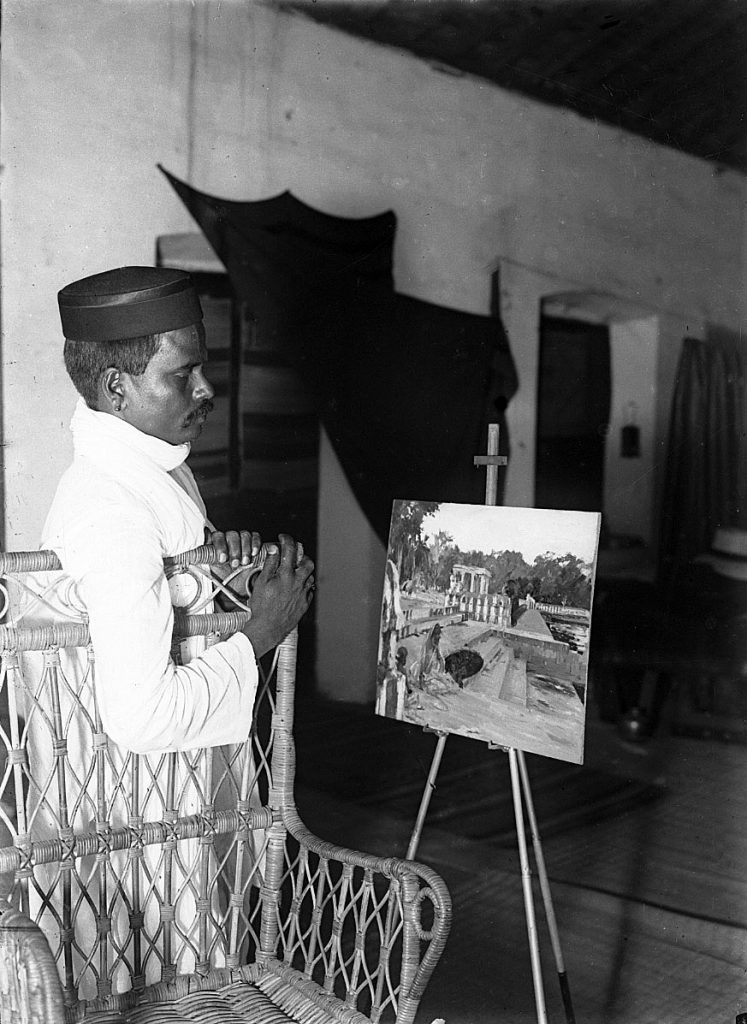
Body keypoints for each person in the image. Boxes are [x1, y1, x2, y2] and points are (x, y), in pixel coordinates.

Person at [23, 265, 315, 996]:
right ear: (117, 389)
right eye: (182, 374)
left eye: (203, 369)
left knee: (190, 961)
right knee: (152, 979)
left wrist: (219, 575)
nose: (205, 390)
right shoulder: (112, 508)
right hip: (132, 809)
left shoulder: (151, 474)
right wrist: (259, 634)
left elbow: (166, 598)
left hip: (164, 798)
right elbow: (142, 714)